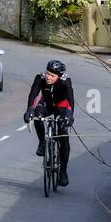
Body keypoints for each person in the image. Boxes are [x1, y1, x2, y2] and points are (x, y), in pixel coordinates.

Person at [23, 59, 74, 187]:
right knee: (37, 115)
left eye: (52, 75)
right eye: (47, 73)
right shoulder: (40, 78)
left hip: (61, 106)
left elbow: (70, 100)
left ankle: (63, 172)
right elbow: (33, 94)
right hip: (46, 104)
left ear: (59, 76)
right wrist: (29, 110)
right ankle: (42, 142)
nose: (48, 77)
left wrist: (69, 115)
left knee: (63, 136)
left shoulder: (65, 81)